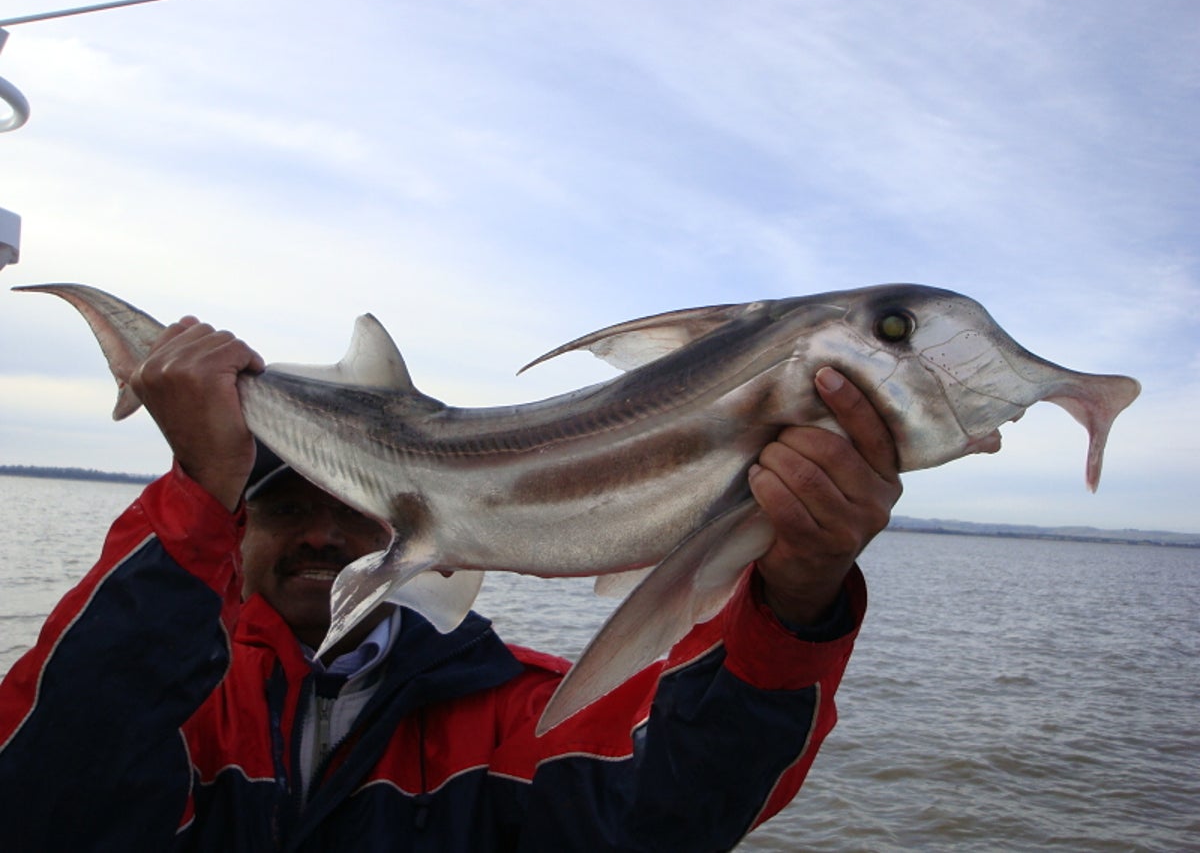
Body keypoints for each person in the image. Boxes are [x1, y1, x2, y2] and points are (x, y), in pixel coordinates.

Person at [0, 315, 902, 852]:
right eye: (284, 507)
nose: (321, 534)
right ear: (233, 529)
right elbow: (42, 802)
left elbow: (670, 816)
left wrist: (795, 598)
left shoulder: (509, 711)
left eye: (353, 509)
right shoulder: (180, 699)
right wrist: (196, 488)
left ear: (404, 526)